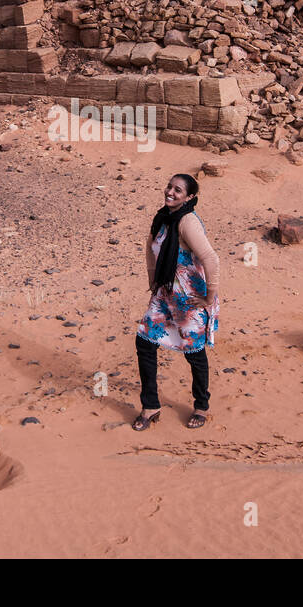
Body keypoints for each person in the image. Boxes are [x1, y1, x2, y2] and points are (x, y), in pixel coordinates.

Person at [132, 173, 220, 430]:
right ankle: (150, 405)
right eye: (170, 187)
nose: (170, 192)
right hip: (165, 294)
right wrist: (153, 283)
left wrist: (209, 299)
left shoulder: (187, 222)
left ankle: (201, 405)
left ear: (190, 197)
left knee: (193, 353)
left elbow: (212, 260)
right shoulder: (163, 217)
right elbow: (150, 248)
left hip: (189, 300)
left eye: (178, 190)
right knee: (144, 343)